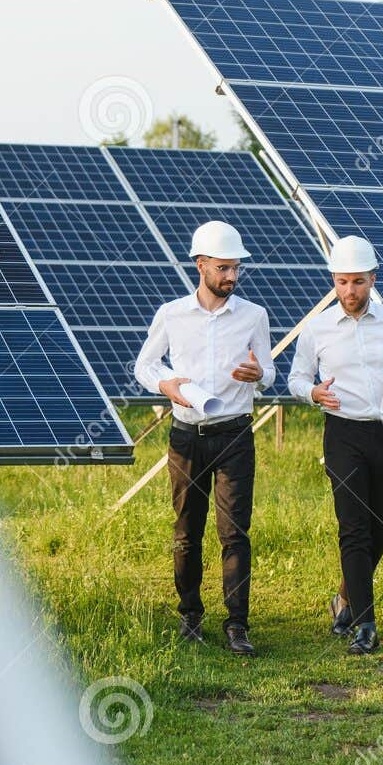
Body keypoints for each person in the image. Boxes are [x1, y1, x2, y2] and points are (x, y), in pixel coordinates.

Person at [134, 221, 275, 655]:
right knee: (186, 531)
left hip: (235, 435)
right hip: (186, 435)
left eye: (235, 269)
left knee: (234, 533)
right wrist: (166, 386)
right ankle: (190, 615)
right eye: (223, 268)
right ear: (201, 266)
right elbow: (145, 364)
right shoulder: (172, 314)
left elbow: (268, 374)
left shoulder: (254, 316)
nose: (231, 277)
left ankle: (238, 625)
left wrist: (260, 375)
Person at [287, 235, 383, 655]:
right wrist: (313, 394)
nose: (350, 291)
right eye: (343, 282)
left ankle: (345, 599)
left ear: (373, 279)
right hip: (342, 431)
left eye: (359, 282)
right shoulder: (317, 329)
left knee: (382, 524)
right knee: (353, 527)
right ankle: (365, 625)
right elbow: (297, 378)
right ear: (334, 280)